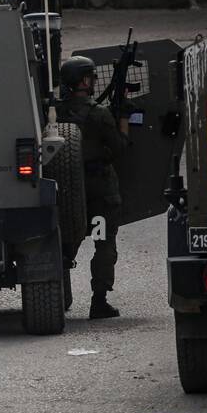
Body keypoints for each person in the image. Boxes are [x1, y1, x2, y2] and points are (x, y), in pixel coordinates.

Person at [56, 55, 129, 320]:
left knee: (64, 241)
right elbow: (120, 147)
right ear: (85, 81)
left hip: (68, 188)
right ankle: (99, 301)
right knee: (103, 243)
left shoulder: (55, 111)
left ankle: (54, 294)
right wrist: (123, 118)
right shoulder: (99, 113)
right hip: (100, 190)